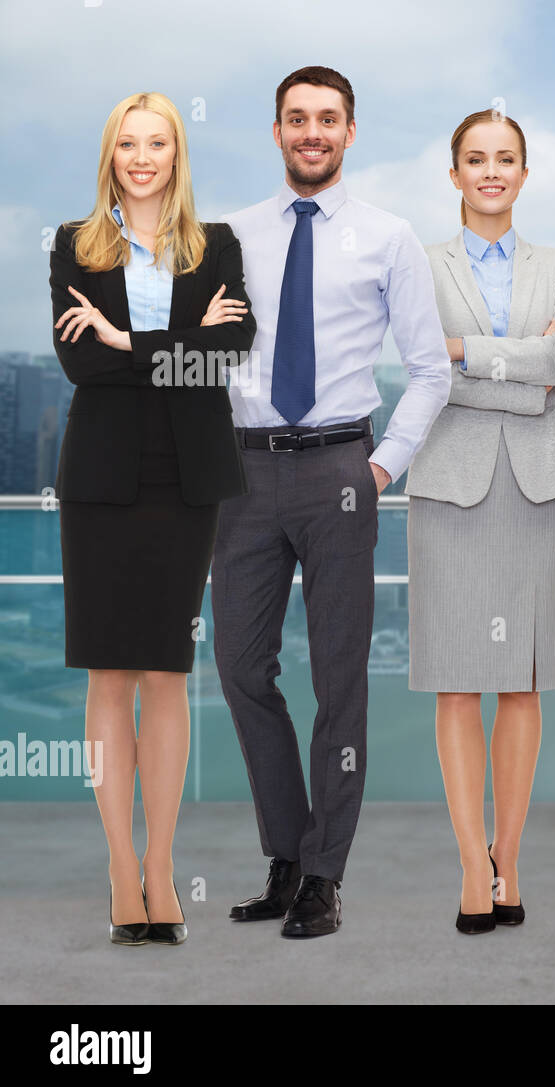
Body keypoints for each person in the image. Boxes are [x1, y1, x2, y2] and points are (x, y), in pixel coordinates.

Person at [216, 66, 450, 939]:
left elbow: (430, 369)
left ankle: (324, 874)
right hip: (242, 474)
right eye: (296, 118)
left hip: (340, 474)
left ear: (350, 132)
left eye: (327, 119)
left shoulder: (389, 238)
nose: (311, 132)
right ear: (276, 131)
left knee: (338, 679)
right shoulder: (228, 235)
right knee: (242, 670)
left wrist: (382, 467)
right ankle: (286, 853)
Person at [49, 92, 255, 946]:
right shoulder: (73, 244)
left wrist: (128, 341)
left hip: (185, 481)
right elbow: (75, 362)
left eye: (157, 142)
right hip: (99, 483)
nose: (142, 157)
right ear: (111, 156)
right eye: (127, 144)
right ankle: (116, 869)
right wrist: (179, 342)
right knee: (108, 675)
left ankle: (161, 871)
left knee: (168, 672)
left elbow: (232, 352)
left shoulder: (219, 247)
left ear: (177, 154)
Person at [406, 109, 555, 934]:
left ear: (525, 173)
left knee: (522, 681)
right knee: (456, 683)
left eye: (506, 159)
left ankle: (508, 859)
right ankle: (466, 865)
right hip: (448, 486)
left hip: (534, 487)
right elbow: (427, 368)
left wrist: (468, 352)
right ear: (453, 173)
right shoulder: (418, 265)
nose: (491, 172)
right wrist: (514, 362)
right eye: (475, 159)